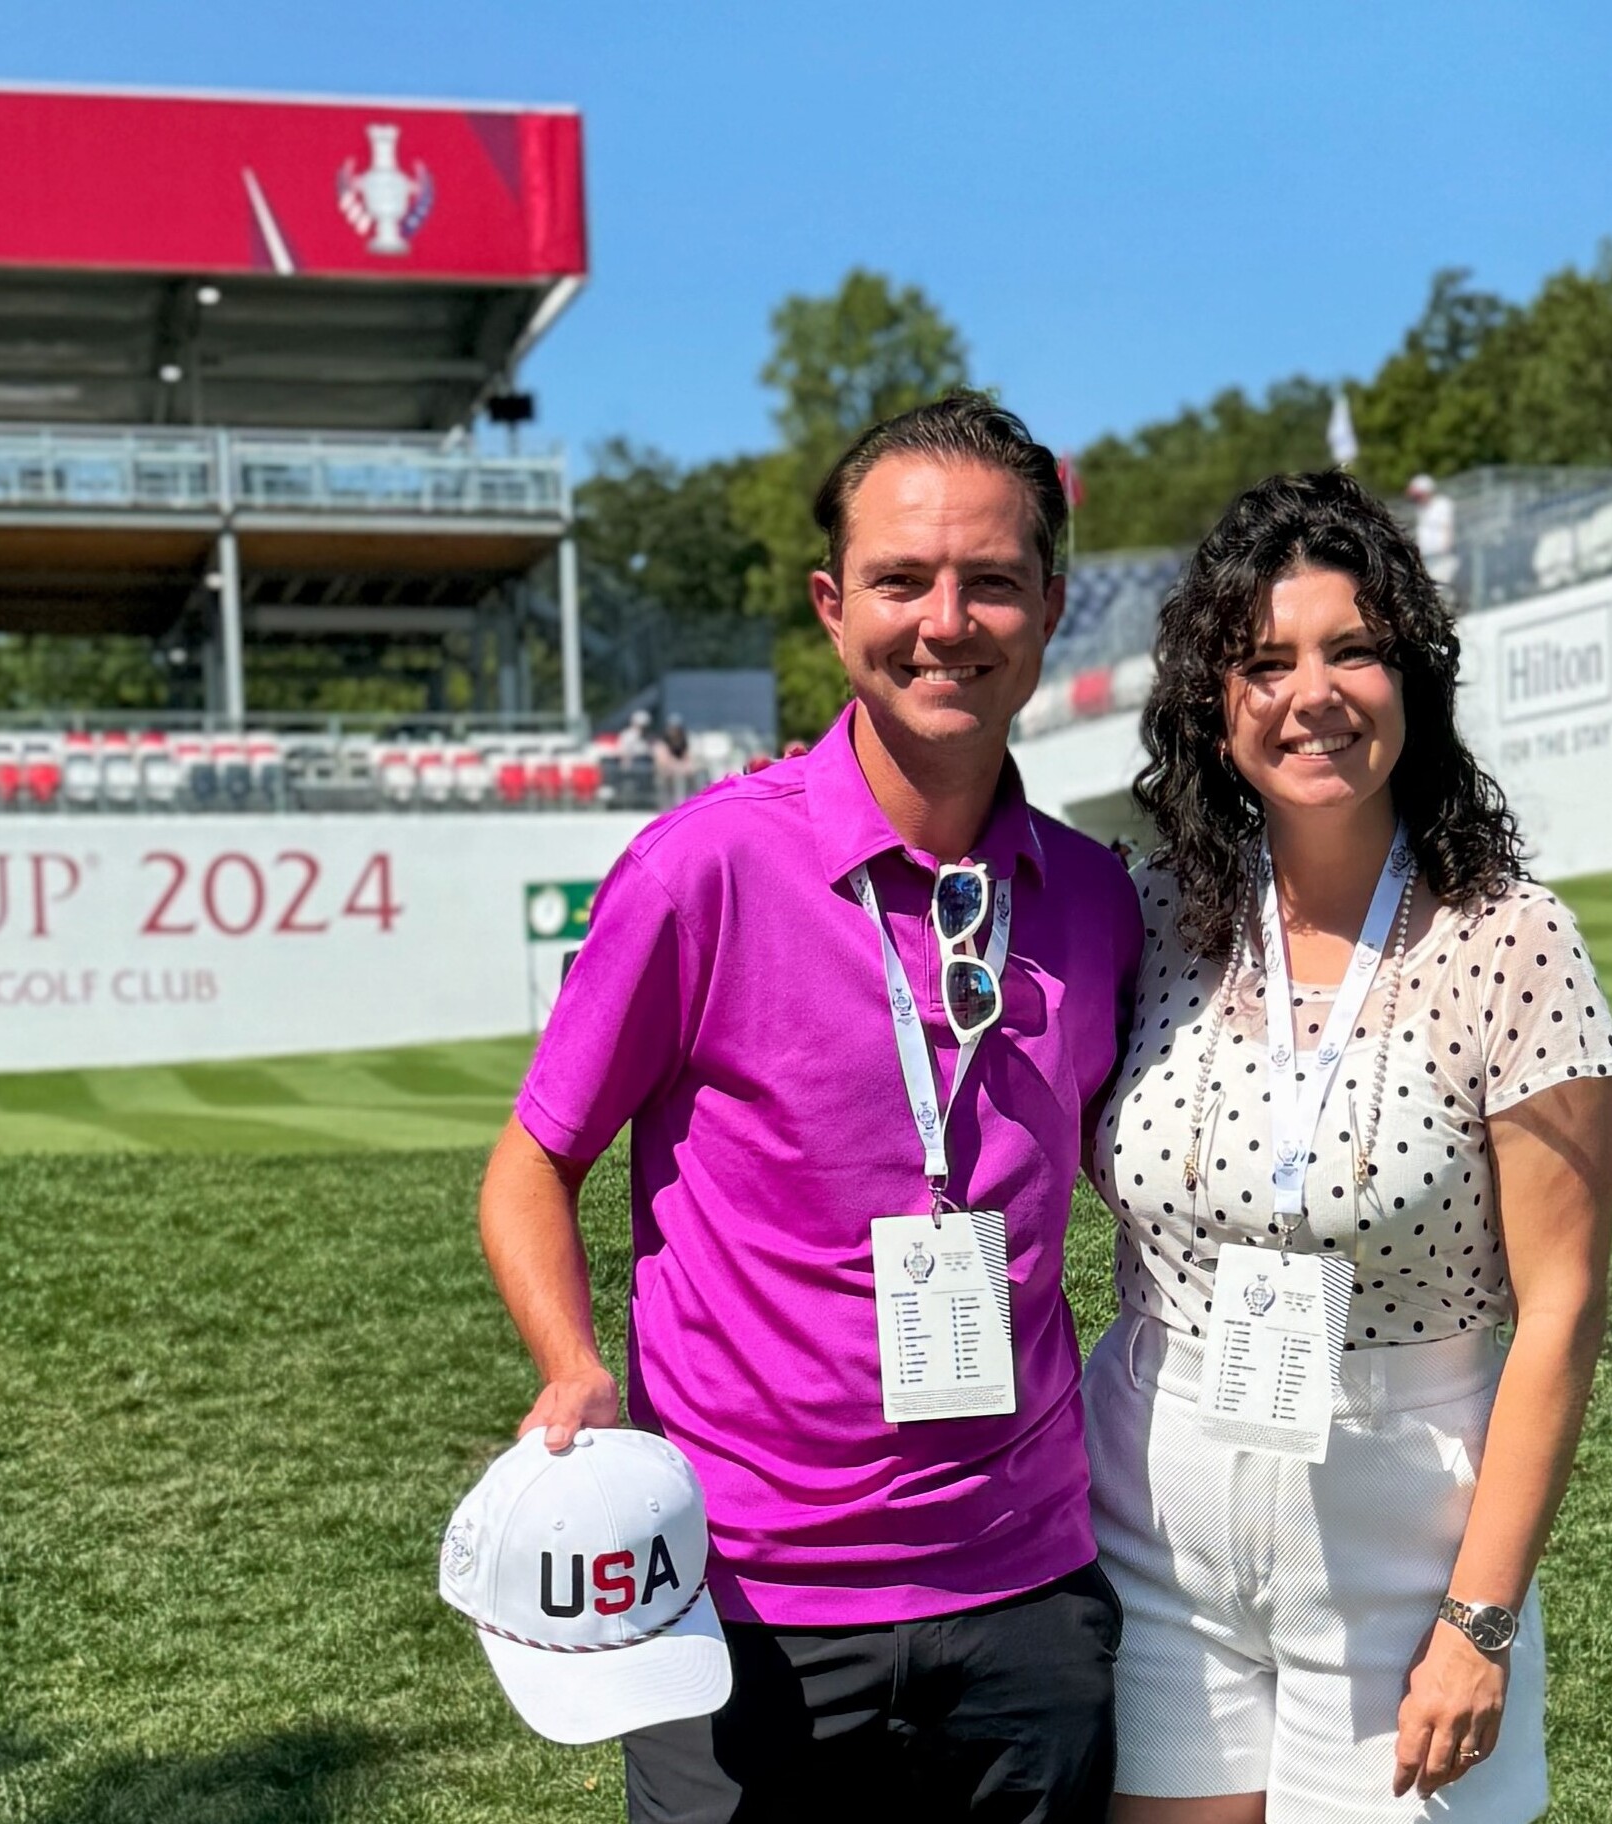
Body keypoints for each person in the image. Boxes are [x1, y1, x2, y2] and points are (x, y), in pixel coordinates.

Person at [480, 392, 1146, 1823]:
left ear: (1051, 606)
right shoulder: (701, 871)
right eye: (902, 580)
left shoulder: (1095, 897)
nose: (946, 622)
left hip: (1028, 1595)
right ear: (834, 608)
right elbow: (532, 1161)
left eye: (990, 581)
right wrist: (572, 1364)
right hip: (741, 1602)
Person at [1086, 470, 1612, 1822]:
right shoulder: (1146, 918)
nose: (1310, 695)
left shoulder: (1512, 940)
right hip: (1149, 1509)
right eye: (1265, 662)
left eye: (1353, 650)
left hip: (1405, 1536)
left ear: (1413, 679)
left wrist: (1479, 1620)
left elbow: (1561, 1307)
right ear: (1211, 705)